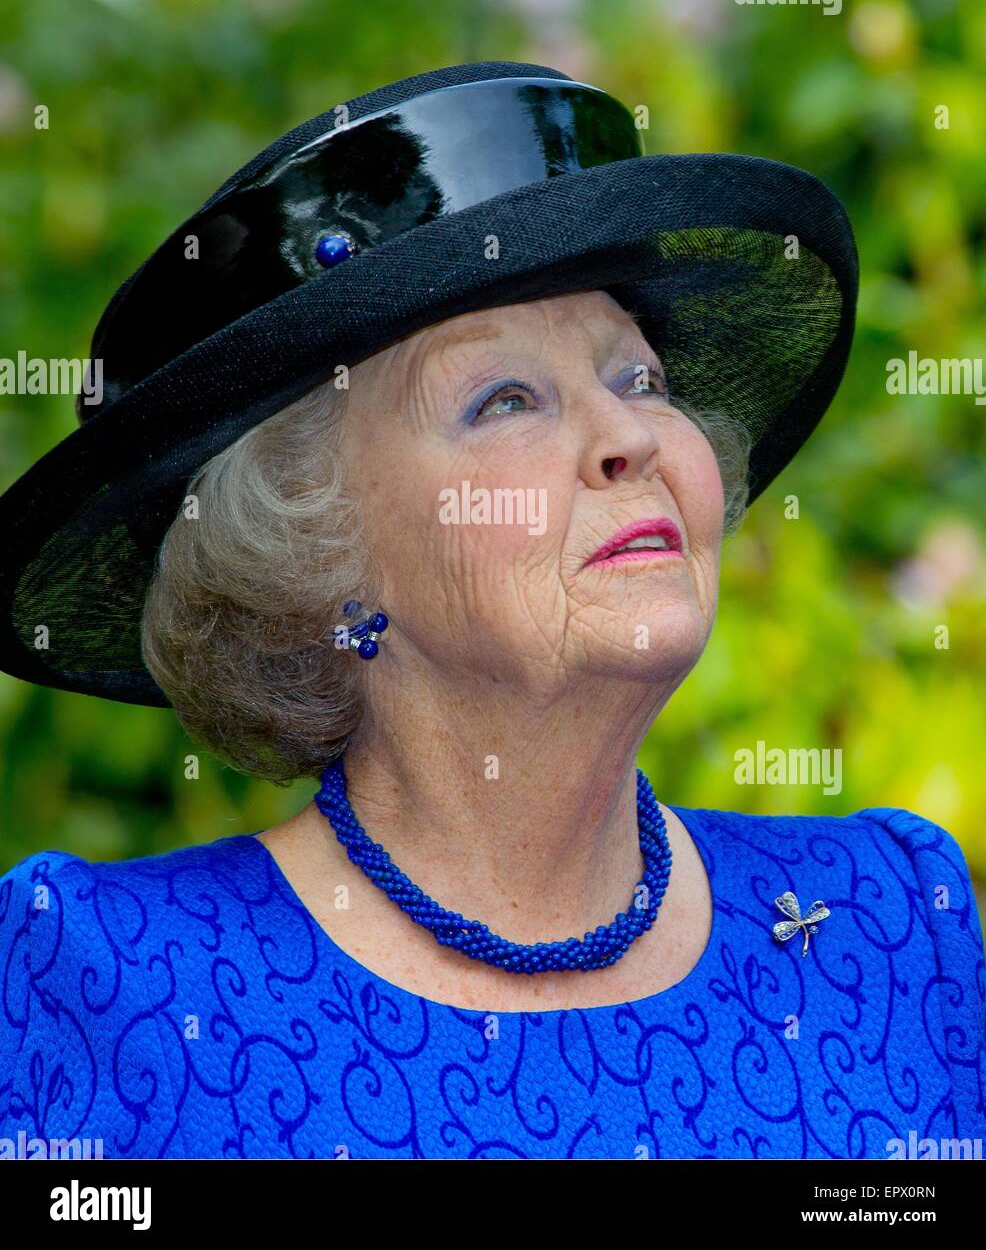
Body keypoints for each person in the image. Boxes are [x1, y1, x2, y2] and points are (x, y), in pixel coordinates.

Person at [0, 62, 982, 1160]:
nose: (631, 437)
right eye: (502, 399)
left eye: (641, 379)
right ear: (316, 555)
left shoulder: (884, 921)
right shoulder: (99, 979)